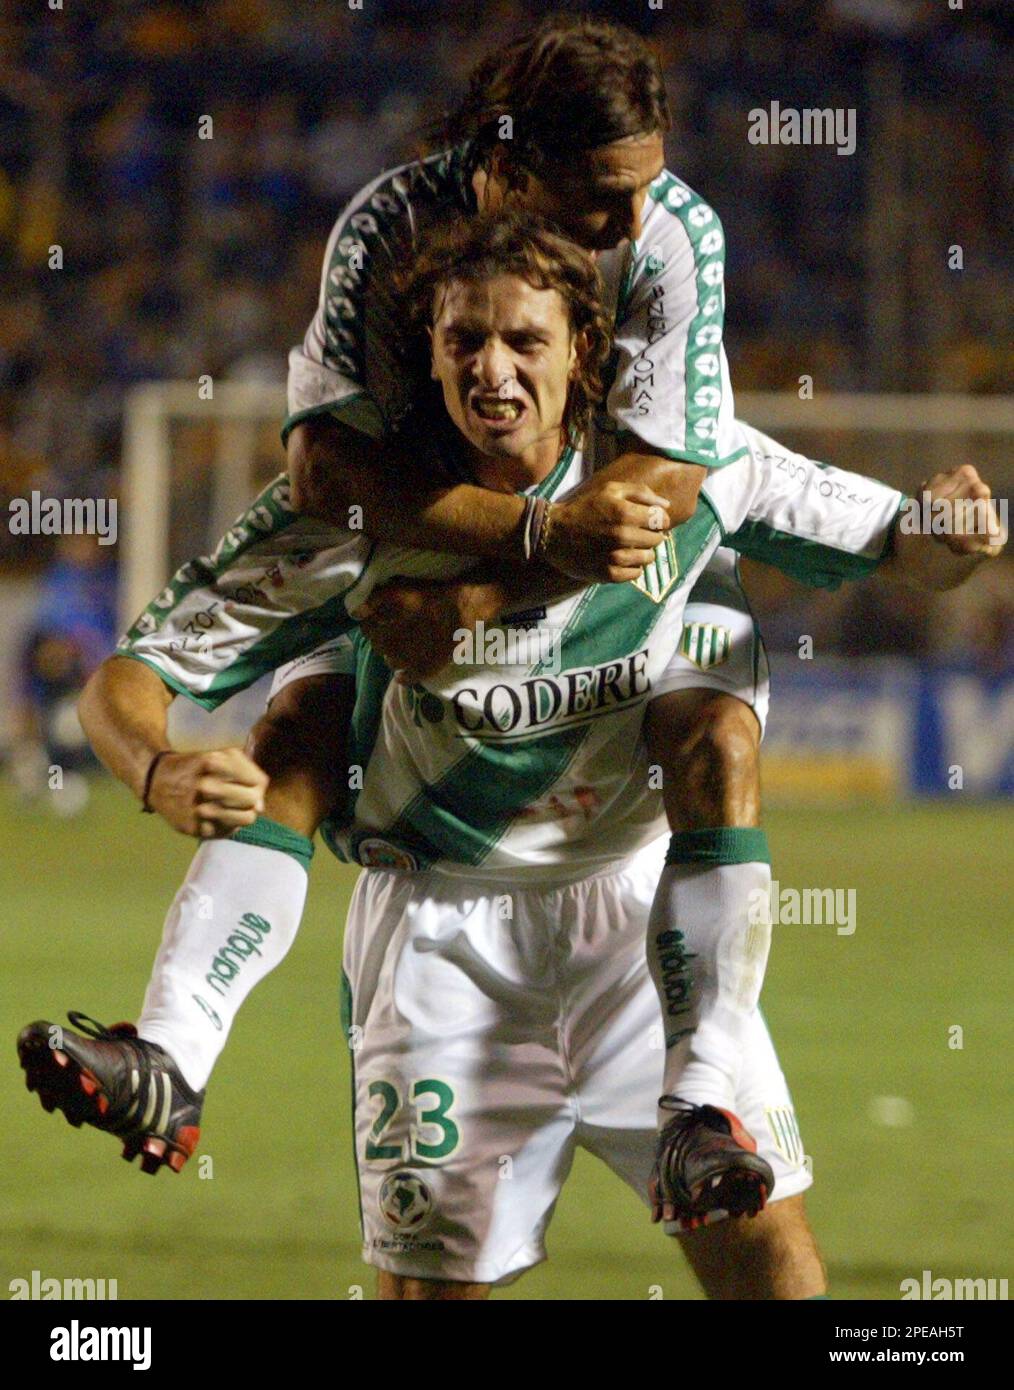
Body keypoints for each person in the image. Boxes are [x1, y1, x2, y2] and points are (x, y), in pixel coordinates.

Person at [19, 219, 1001, 1301]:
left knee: (773, 1266)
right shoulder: (363, 513)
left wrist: (953, 531)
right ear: (430, 352)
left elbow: (901, 544)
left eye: (525, 342)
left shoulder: (682, 468)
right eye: (465, 340)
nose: (494, 369)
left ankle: (700, 1094)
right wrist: (158, 771)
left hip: (638, 927)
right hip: (443, 937)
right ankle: (173, 1050)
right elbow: (128, 677)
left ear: (583, 347)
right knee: (304, 708)